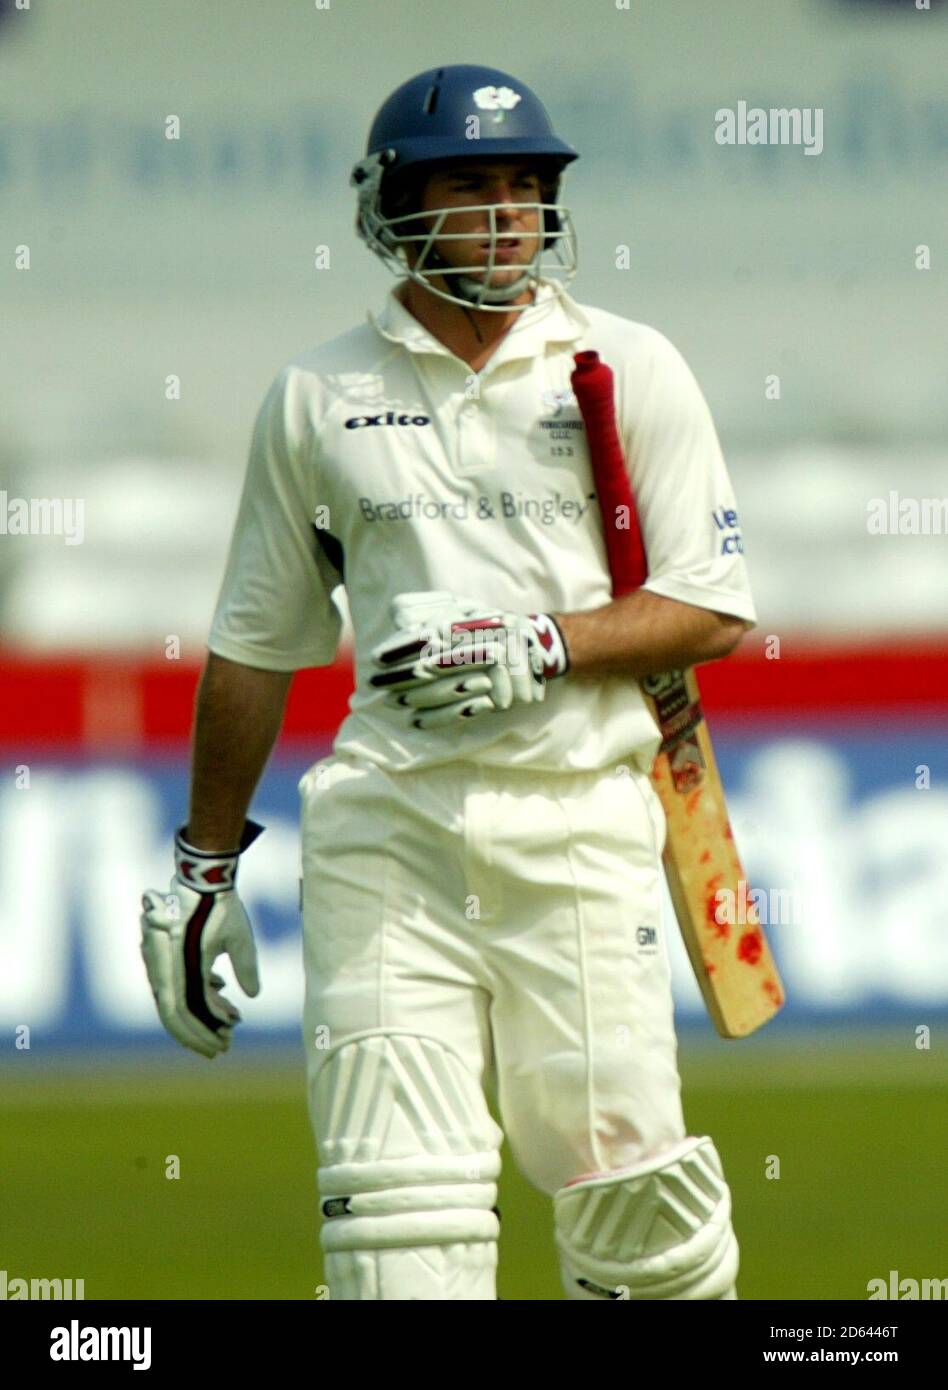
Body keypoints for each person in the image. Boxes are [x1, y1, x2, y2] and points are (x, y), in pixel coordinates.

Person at [140, 63, 756, 1301]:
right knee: (397, 1234)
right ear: (392, 208)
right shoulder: (318, 396)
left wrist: (543, 643)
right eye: (472, 187)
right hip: (388, 840)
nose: (510, 213)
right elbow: (258, 642)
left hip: (582, 824)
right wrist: (202, 869)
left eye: (528, 187)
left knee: (643, 1235)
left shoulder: (627, 367)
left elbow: (713, 609)